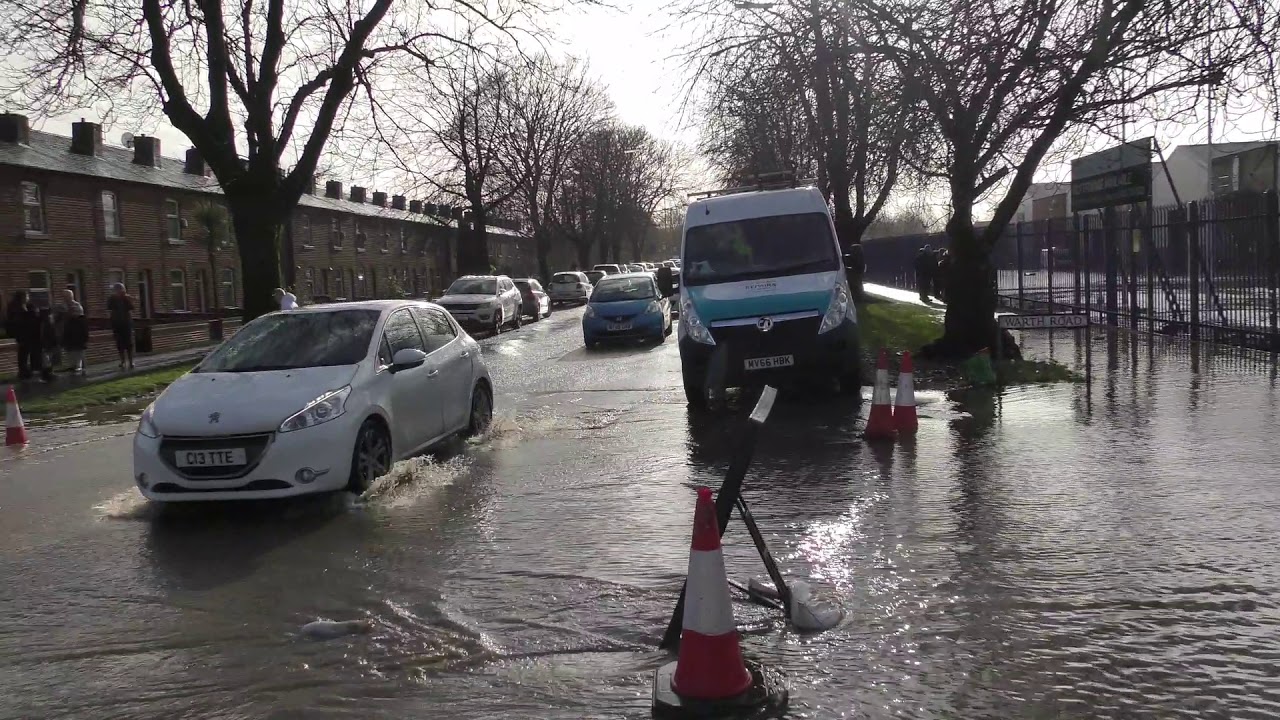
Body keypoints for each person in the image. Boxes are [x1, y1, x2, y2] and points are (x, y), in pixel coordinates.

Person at [5, 291, 42, 381]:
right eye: (27, 296)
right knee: (24, 353)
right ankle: (24, 371)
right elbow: (17, 321)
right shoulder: (15, 308)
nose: (28, 298)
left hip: (29, 334)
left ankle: (30, 370)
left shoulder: (28, 306)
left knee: (28, 352)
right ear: (22, 297)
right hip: (23, 334)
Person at [59, 289, 89, 374]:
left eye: (66, 296)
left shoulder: (77, 305)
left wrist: (68, 314)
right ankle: (72, 365)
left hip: (76, 330)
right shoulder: (62, 306)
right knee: (69, 348)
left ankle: (78, 366)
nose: (65, 298)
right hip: (67, 330)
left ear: (71, 296)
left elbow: (78, 317)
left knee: (78, 349)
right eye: (64, 296)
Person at [107, 282, 135, 370]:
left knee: (129, 343)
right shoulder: (111, 299)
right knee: (119, 343)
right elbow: (109, 308)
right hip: (117, 323)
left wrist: (129, 299)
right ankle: (122, 361)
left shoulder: (126, 298)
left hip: (126, 323)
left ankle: (131, 361)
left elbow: (131, 307)